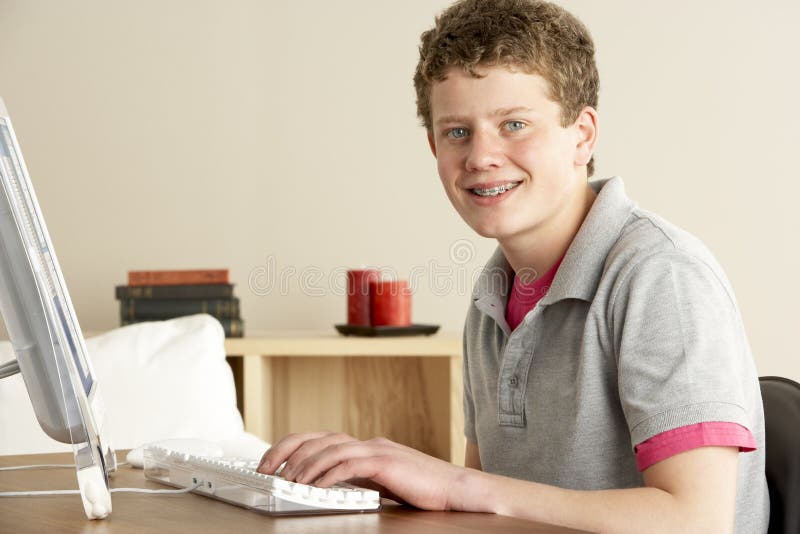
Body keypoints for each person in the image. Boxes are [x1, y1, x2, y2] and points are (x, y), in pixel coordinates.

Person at [258, 1, 769, 531]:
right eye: (457, 132)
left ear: (583, 135)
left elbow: (699, 520)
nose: (481, 156)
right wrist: (383, 491)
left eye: (514, 124)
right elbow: (486, 508)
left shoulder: (660, 276)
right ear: (433, 145)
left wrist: (452, 483)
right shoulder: (492, 295)